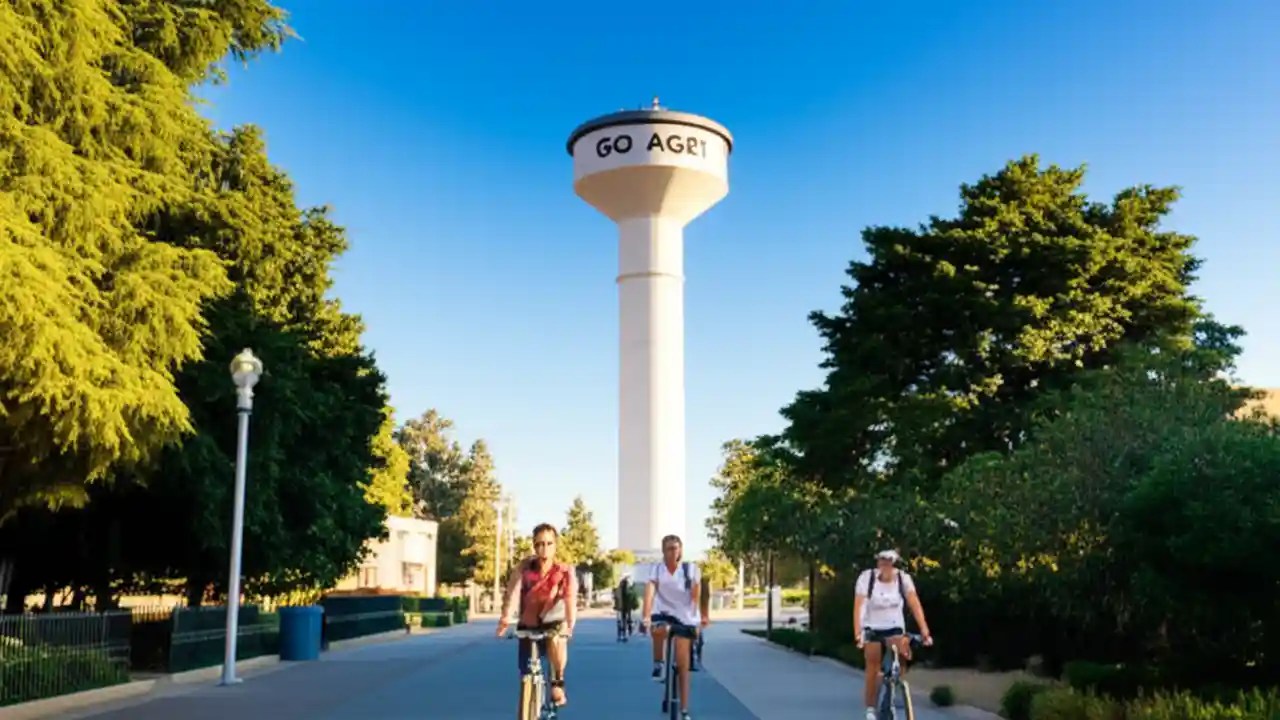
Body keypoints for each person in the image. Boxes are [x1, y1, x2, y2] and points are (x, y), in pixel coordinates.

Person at [497, 523, 577, 708]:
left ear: (555, 545)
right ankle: (528, 706)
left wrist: (570, 625)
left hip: (553, 622)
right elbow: (513, 592)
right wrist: (505, 618)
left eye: (549, 543)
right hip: (528, 624)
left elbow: (570, 599)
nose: (545, 548)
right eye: (540, 543)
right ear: (534, 545)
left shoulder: (564, 571)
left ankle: (558, 684)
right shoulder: (524, 568)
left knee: (557, 639)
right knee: (526, 671)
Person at [853, 549, 933, 720]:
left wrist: (924, 629)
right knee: (873, 665)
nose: (885, 566)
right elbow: (860, 606)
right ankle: (871, 708)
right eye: (882, 561)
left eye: (889, 562)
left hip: (894, 626)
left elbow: (914, 603)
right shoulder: (867, 578)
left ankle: (894, 683)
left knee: (901, 653)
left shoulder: (903, 579)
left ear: (895, 564)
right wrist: (858, 632)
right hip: (872, 626)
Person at [640, 534, 709, 720]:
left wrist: (699, 619)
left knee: (683, 665)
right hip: (663, 612)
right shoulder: (657, 569)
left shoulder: (690, 569)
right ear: (663, 551)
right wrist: (646, 616)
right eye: (670, 548)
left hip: (685, 617)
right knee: (658, 629)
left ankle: (684, 709)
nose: (674, 552)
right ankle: (658, 663)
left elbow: (697, 594)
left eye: (677, 548)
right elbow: (650, 592)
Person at [615, 575, 634, 641]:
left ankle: (621, 634)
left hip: (620, 607)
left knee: (621, 621)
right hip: (626, 607)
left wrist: (616, 606)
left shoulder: (619, 589)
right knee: (626, 619)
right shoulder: (629, 590)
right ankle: (627, 630)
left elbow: (616, 598)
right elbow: (632, 598)